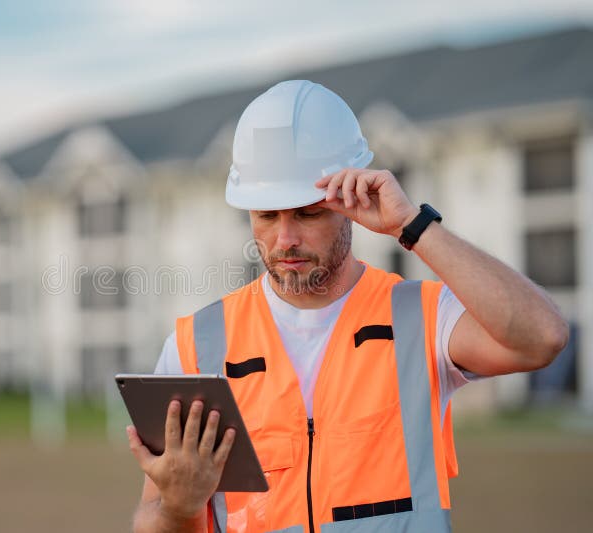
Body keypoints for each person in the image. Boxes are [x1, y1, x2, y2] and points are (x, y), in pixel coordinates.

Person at [126, 80, 568, 533]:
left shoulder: (422, 318)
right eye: (266, 215)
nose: (285, 238)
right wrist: (178, 509)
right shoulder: (194, 347)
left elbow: (544, 336)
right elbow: (150, 519)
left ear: (352, 201)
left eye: (308, 212)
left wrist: (412, 226)